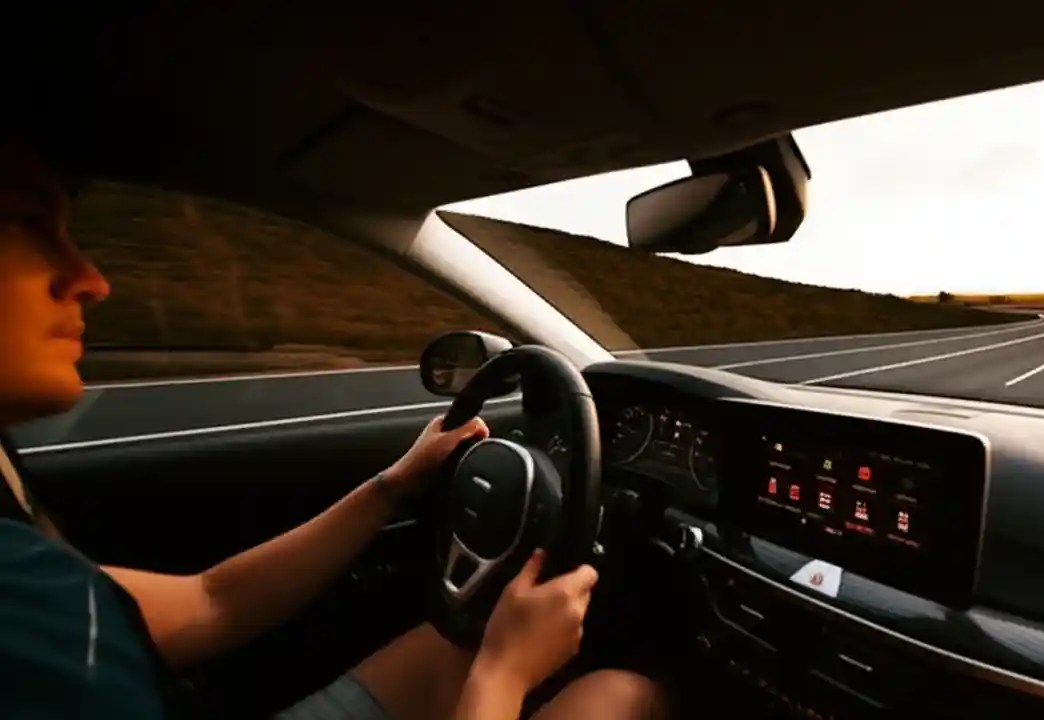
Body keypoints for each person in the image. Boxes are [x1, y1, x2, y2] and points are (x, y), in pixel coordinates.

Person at [0, 133, 667, 719]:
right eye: (27, 224)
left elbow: (211, 602)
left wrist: (392, 486)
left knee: (448, 649)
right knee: (619, 697)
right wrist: (506, 673)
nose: (91, 279)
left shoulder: (21, 567)